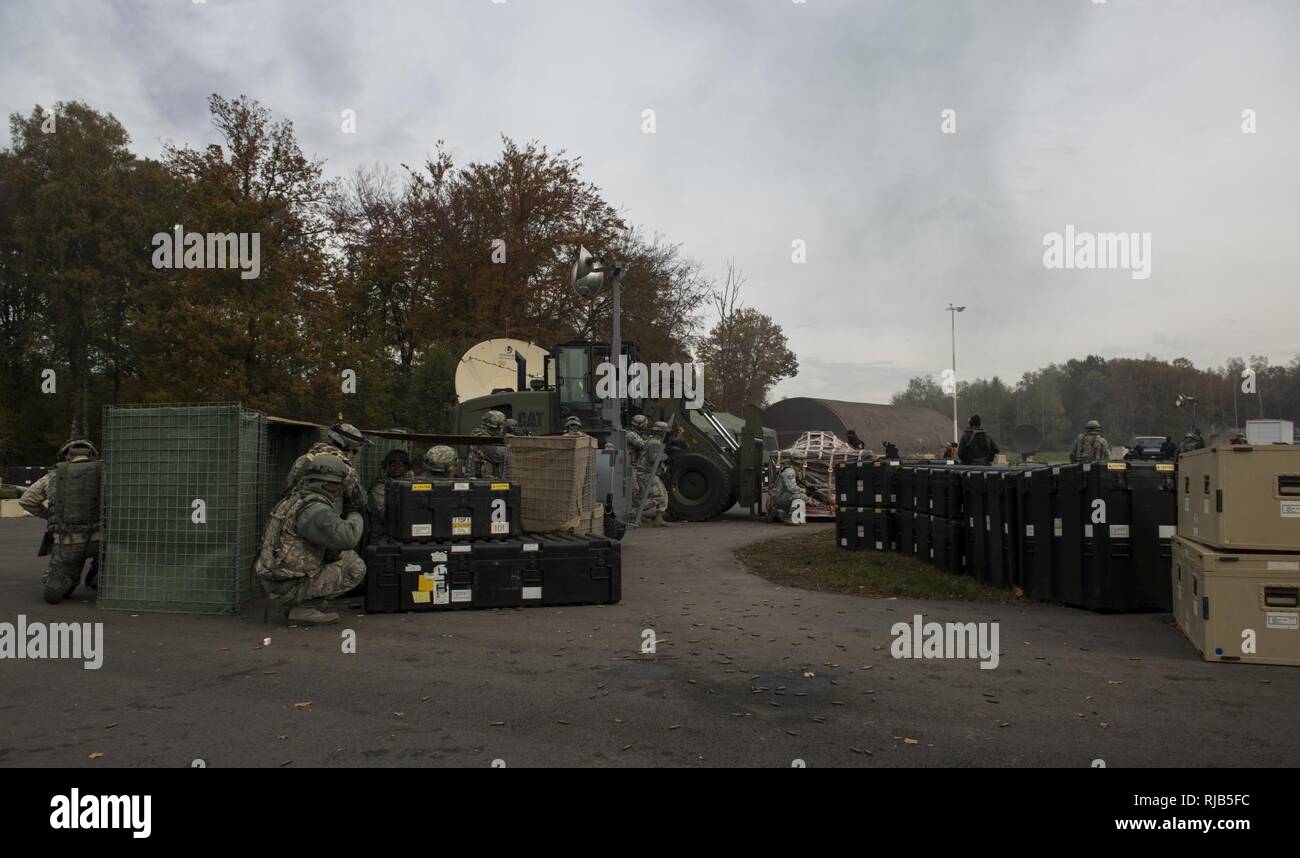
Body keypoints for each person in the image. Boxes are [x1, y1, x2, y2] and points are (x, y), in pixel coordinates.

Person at [254, 455, 366, 626]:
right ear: (333, 484)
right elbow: (348, 538)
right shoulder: (314, 508)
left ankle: (298, 603)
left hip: (275, 579)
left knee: (337, 554)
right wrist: (355, 513)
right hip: (286, 584)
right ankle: (304, 607)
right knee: (354, 566)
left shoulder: (294, 499)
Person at [20, 439, 103, 604]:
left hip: (66, 540)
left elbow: (27, 501)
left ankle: (60, 579)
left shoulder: (53, 475)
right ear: (92, 455)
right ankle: (99, 574)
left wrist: (50, 516)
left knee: (64, 585)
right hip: (101, 537)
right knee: (108, 560)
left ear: (66, 456)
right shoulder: (106, 472)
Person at [284, 421, 368, 512]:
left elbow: (288, 489)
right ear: (346, 448)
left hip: (297, 516)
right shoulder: (345, 468)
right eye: (354, 451)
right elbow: (358, 501)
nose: (354, 456)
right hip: (327, 520)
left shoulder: (304, 459)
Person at [368, 448, 413, 522]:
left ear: (406, 467)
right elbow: (385, 513)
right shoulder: (380, 485)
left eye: (400, 465)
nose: (396, 468)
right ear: (387, 467)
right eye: (393, 465)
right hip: (386, 527)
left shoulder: (411, 482)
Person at [768, 449, 809, 524]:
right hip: (779, 497)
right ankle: (789, 518)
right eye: (802, 461)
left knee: (801, 496)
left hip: (780, 496)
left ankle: (777, 513)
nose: (803, 464)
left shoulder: (792, 469)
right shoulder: (790, 471)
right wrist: (805, 491)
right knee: (801, 496)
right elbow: (792, 489)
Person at [464, 410, 507, 478]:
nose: (499, 430)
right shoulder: (478, 436)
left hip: (488, 480)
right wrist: (514, 449)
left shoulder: (494, 436)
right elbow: (497, 454)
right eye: (496, 428)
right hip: (476, 480)